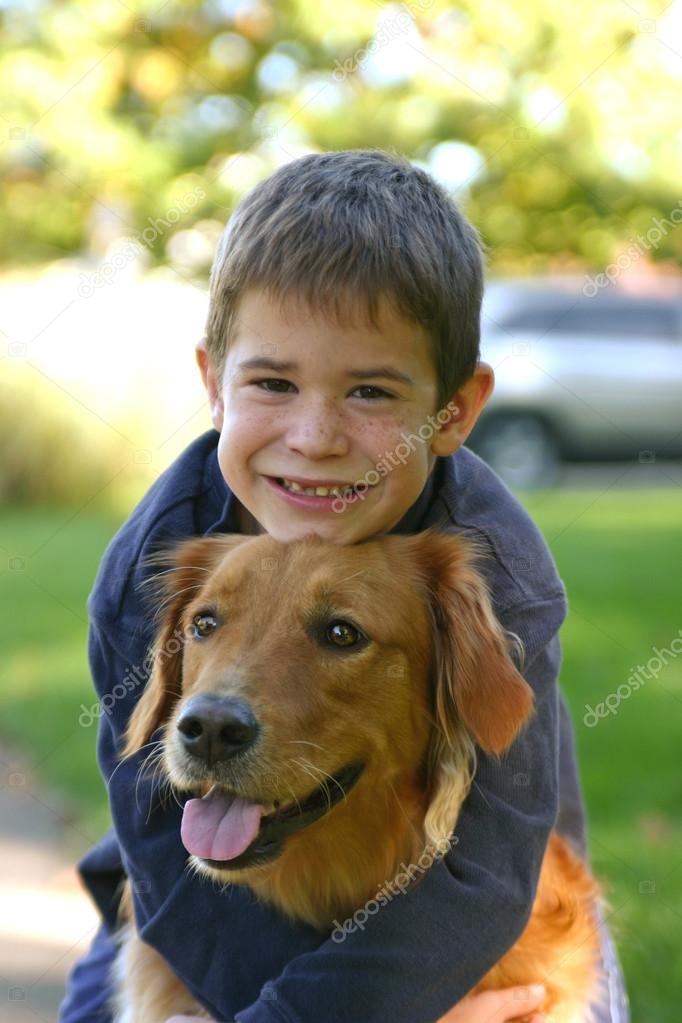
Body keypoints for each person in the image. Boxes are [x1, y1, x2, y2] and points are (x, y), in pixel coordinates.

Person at [58, 149, 630, 1023]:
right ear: (214, 383)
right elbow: (155, 835)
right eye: (274, 383)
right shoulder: (150, 564)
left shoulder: (499, 575)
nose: (316, 436)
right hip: (188, 890)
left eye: (369, 390)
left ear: (454, 413)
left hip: (474, 888)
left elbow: (491, 871)